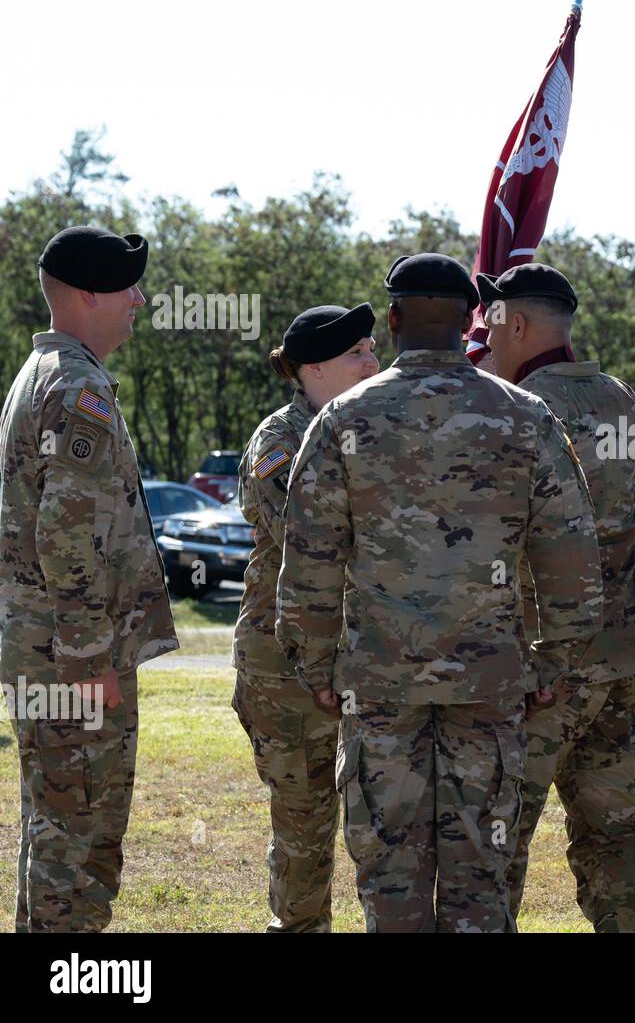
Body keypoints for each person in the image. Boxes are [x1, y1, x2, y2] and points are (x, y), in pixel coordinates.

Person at [275, 252, 602, 933]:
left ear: (393, 319)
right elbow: (570, 553)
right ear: (471, 321)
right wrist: (553, 662)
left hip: (380, 685)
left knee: (390, 880)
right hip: (489, 684)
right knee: (480, 877)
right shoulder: (526, 416)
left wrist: (315, 665)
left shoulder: (340, 420)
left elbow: (309, 559)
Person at [482, 263, 635, 933]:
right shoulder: (618, 397)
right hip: (615, 656)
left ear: (520, 324)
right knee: (613, 824)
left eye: (492, 320)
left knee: (496, 836)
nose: (482, 331)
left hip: (542, 664)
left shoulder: (520, 409)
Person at [0, 226, 177, 932]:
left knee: (54, 830)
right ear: (83, 295)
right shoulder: (76, 386)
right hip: (67, 660)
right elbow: (66, 532)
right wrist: (88, 659)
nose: (138, 297)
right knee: (81, 845)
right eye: (126, 285)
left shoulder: (44, 374)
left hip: (44, 652)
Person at [231, 303, 380, 932]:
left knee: (379, 819)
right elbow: (310, 539)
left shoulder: (366, 428)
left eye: (373, 348)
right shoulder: (281, 441)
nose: (375, 361)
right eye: (358, 353)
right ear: (313, 368)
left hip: (362, 655)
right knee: (304, 819)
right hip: (286, 662)